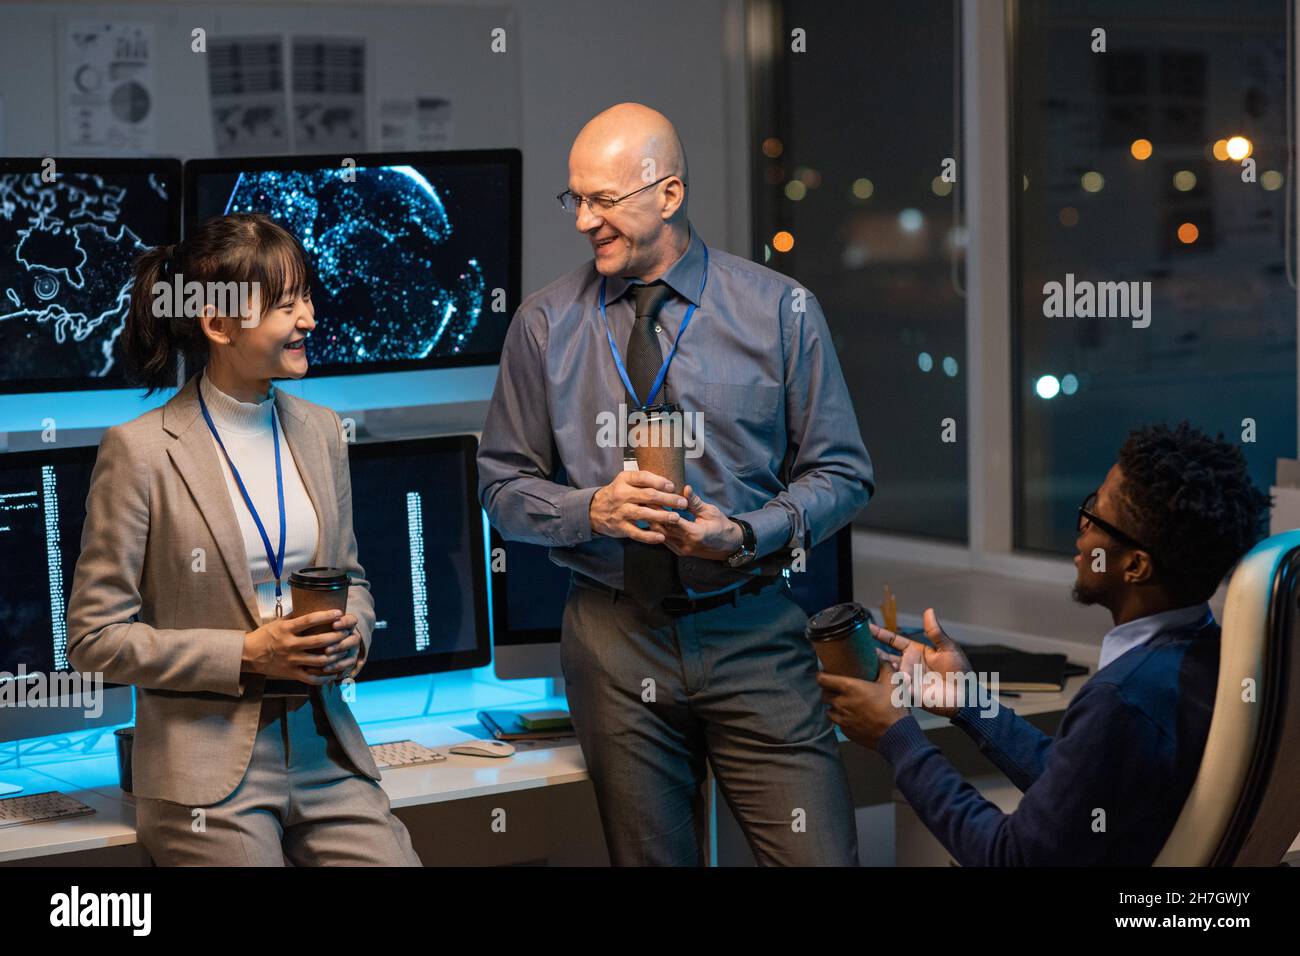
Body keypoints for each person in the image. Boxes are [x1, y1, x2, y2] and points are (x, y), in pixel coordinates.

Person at [478, 103, 874, 865]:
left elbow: (845, 472)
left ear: (668, 194)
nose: (585, 220)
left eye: (605, 200)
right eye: (576, 199)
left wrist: (748, 532)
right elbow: (501, 486)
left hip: (752, 626)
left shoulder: (781, 312)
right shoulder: (543, 325)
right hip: (612, 639)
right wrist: (587, 508)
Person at [67, 213, 421, 867]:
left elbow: (354, 580)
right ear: (219, 325)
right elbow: (93, 639)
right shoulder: (140, 451)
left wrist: (354, 632)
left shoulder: (320, 430)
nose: (309, 318)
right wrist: (248, 654)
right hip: (205, 769)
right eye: (286, 306)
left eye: (307, 296)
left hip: (326, 746)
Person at [818, 422, 1270, 865]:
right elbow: (1071, 783)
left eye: (1095, 516)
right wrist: (969, 702)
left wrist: (896, 735)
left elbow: (1009, 856)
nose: (1081, 531)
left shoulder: (1126, 699)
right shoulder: (1203, 653)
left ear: (1135, 566)